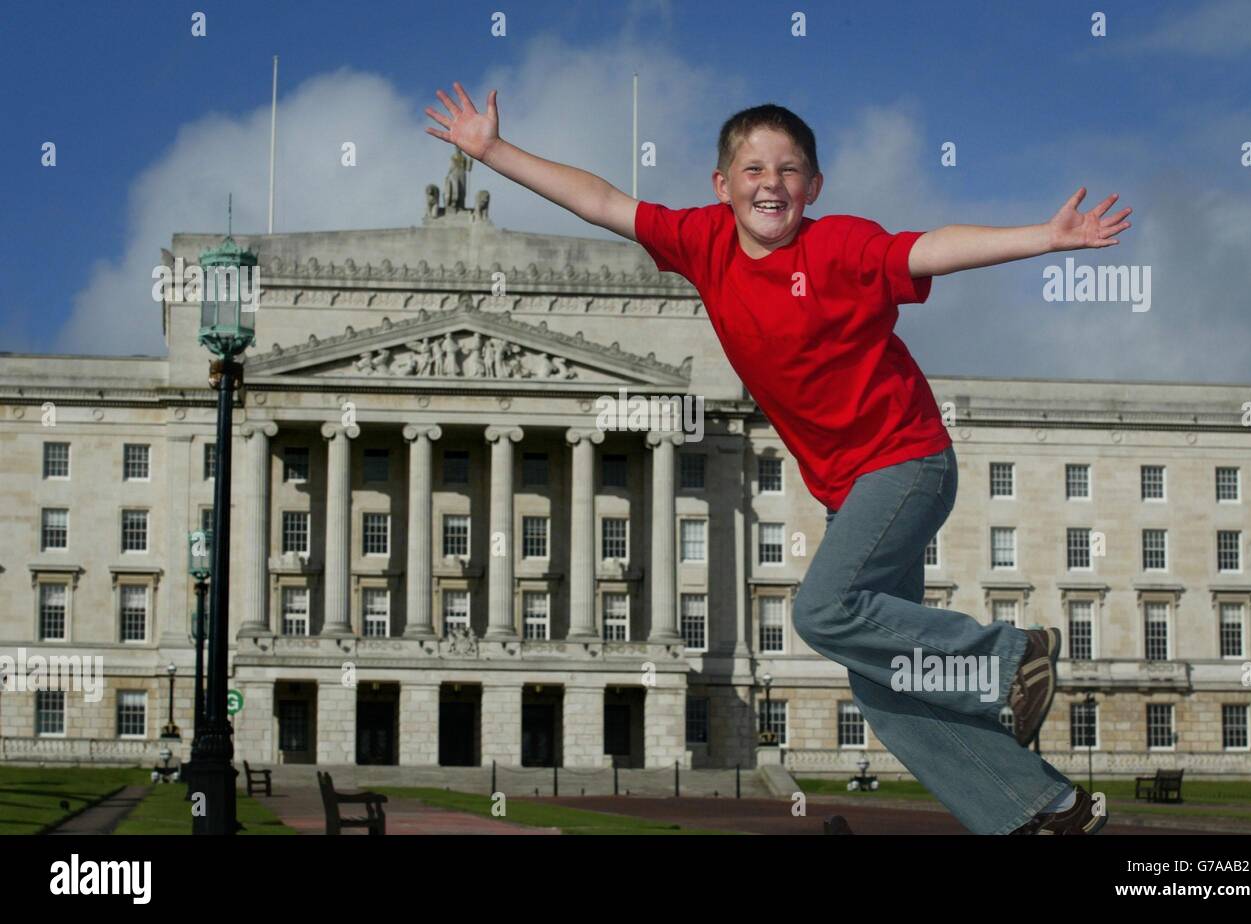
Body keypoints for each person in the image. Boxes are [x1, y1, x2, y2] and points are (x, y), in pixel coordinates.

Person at [425, 82, 1130, 835]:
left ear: (814, 186)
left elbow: (931, 246)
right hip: (847, 490)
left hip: (906, 459)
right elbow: (602, 202)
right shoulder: (702, 241)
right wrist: (494, 152)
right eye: (754, 169)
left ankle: (1013, 654)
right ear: (722, 186)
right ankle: (1044, 806)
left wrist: (1045, 239)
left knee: (822, 610)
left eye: (789, 169)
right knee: (883, 689)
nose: (772, 183)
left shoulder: (839, 246)